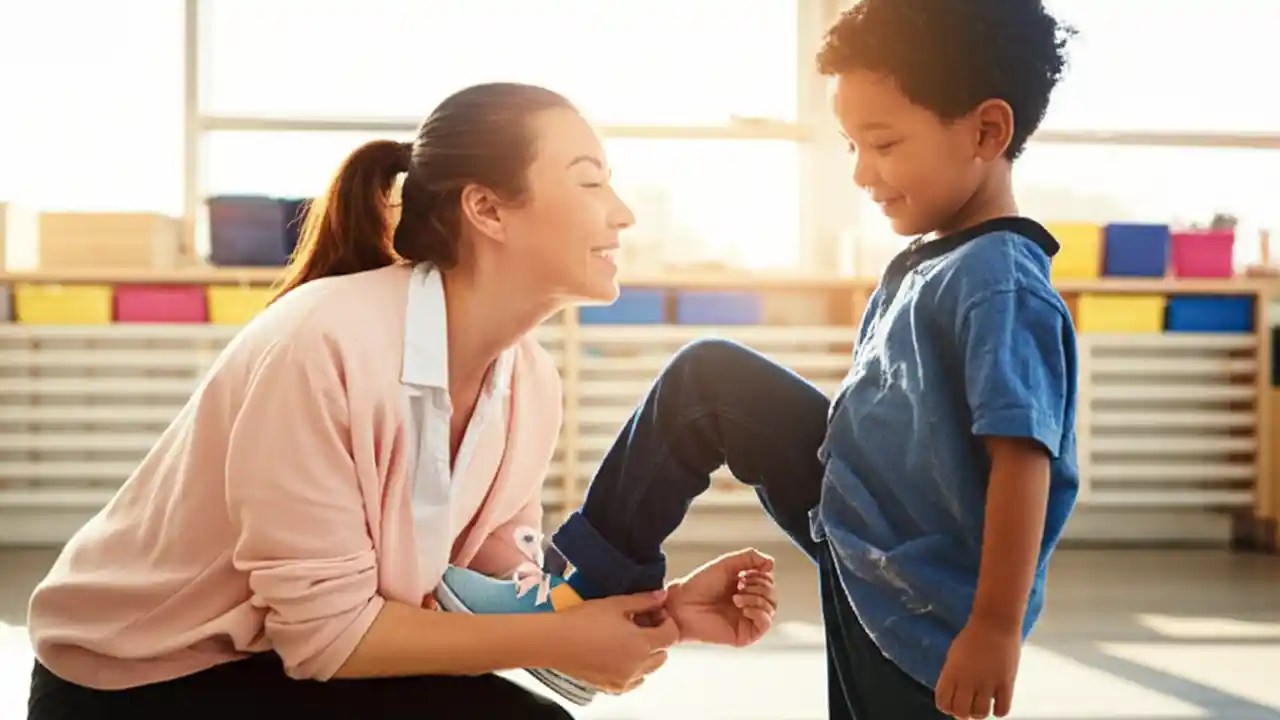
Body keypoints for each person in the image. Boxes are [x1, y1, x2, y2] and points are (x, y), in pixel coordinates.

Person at [24, 82, 777, 720]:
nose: (622, 213)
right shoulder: (323, 343)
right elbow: (329, 640)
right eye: (590, 181)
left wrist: (659, 615)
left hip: (275, 660)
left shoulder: (529, 384)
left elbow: (491, 593)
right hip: (135, 681)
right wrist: (560, 642)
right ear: (488, 209)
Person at [438, 2, 1080, 718]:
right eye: (850, 146)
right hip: (862, 513)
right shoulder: (942, 258)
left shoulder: (1000, 281)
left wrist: (993, 627)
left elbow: (1025, 459)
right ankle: (584, 592)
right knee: (709, 381)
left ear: (987, 131)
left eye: (885, 143)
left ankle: (578, 598)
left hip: (921, 598)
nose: (863, 173)